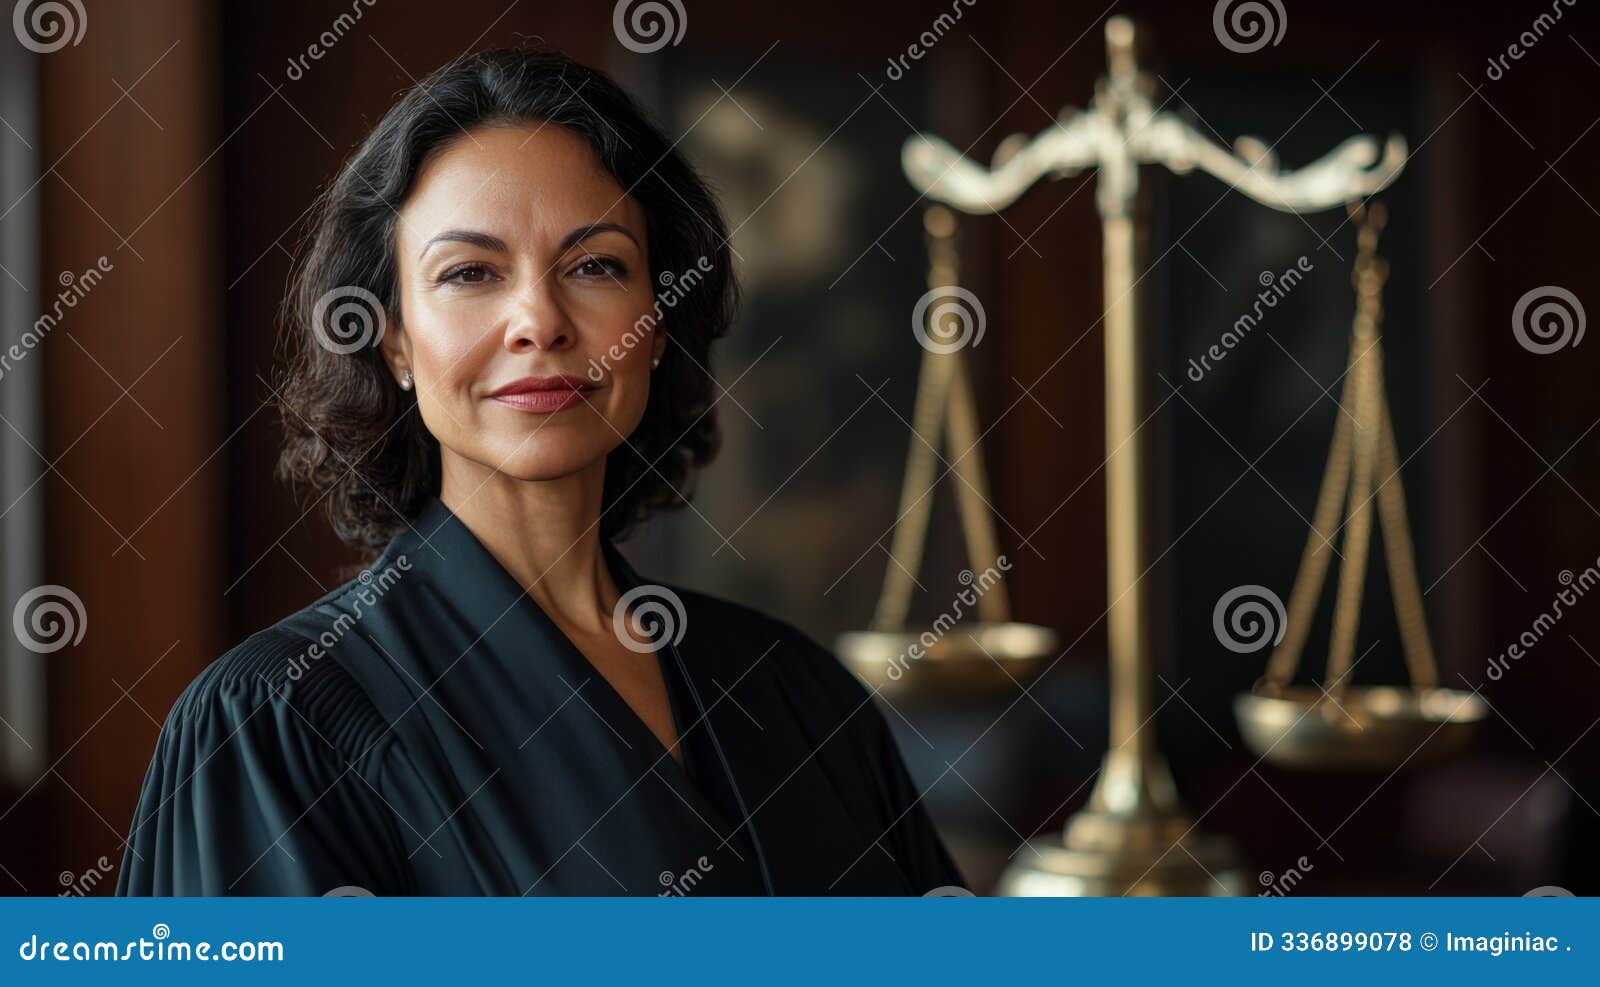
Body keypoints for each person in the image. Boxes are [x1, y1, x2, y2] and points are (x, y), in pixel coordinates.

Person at [116, 47, 965, 896]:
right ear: (394, 341)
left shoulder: (797, 690)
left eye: (595, 265)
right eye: (470, 273)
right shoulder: (272, 721)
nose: (539, 321)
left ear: (659, 322)